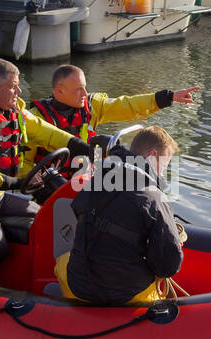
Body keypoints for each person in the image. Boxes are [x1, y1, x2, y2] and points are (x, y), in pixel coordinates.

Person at [0, 58, 106, 282]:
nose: (19, 90)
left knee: (43, 216)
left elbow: (47, 132)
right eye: (13, 86)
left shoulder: (13, 111)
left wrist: (81, 147)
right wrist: (18, 182)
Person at [26, 65, 199, 200]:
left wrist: (167, 97)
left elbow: (126, 105)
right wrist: (37, 184)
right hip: (50, 189)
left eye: (85, 87)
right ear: (59, 91)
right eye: (78, 89)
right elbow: (23, 161)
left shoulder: (92, 106)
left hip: (87, 182)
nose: (85, 93)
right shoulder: (36, 118)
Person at [54, 126, 184, 306]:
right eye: (165, 164)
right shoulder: (155, 198)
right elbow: (168, 267)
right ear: (153, 156)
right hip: (123, 296)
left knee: (62, 261)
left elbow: (78, 210)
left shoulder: (98, 179)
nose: (162, 173)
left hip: (77, 286)